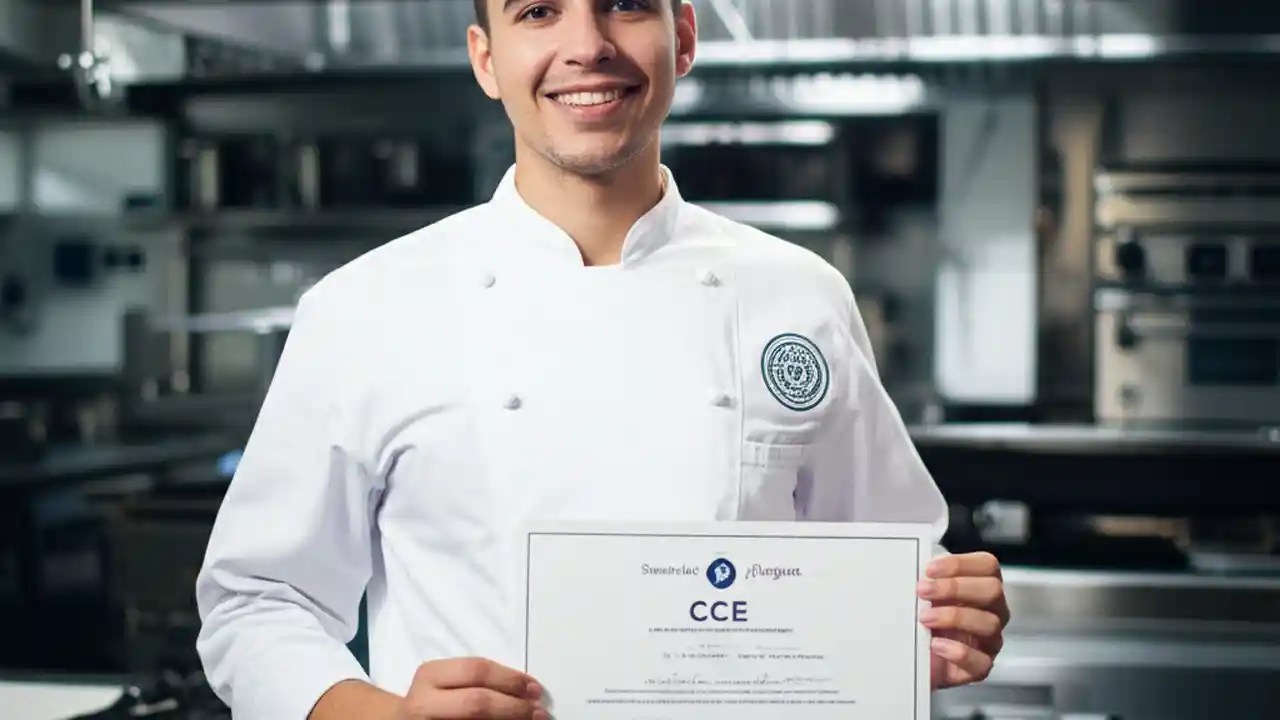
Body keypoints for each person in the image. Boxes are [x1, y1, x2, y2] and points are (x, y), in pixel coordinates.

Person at [194, 0, 1011, 718]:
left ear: (682, 38)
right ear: (487, 58)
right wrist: (381, 717)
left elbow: (892, 573)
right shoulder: (366, 308)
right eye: (539, 11)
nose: (587, 45)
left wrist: (943, 622)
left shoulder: (800, 295)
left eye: (623, 4)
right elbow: (258, 603)